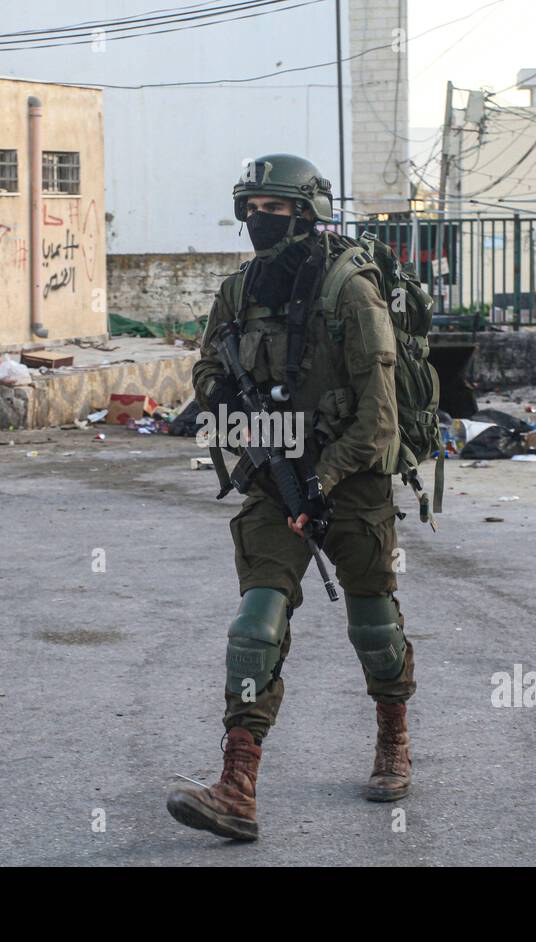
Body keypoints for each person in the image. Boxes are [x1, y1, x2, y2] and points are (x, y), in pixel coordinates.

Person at [166, 154, 416, 841]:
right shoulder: (241, 290)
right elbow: (208, 364)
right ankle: (236, 785)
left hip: (353, 479)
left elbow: (380, 416)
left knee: (373, 627)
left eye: (271, 210)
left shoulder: (351, 292)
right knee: (255, 626)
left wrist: (325, 479)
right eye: (249, 209)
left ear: (305, 213)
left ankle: (393, 734)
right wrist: (221, 398)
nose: (256, 221)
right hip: (275, 478)